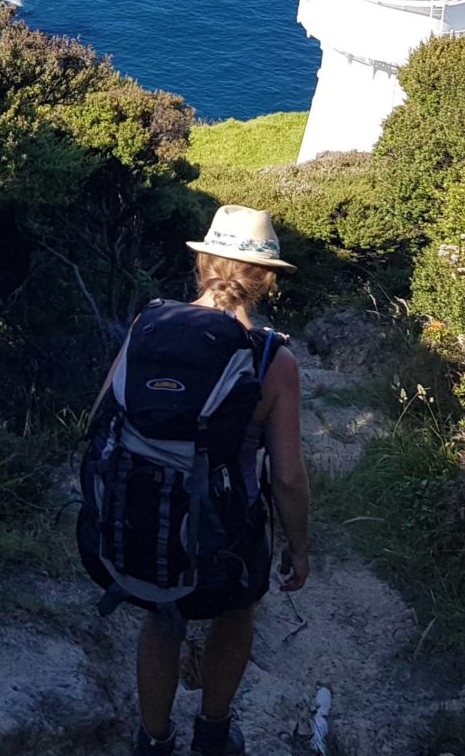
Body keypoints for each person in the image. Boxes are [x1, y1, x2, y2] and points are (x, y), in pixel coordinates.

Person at [102, 205, 311, 756]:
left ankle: (153, 739)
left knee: (162, 616)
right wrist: (299, 546)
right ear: (266, 278)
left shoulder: (147, 326)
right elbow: (287, 477)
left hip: (147, 512)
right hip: (228, 526)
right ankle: (212, 733)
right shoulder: (272, 359)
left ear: (203, 264)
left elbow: (105, 414)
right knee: (236, 612)